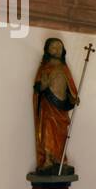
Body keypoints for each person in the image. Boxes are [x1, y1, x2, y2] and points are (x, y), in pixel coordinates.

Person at [33, 38, 79, 173]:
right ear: (47, 49)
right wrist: (43, 86)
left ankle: (59, 159)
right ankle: (47, 160)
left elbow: (71, 89)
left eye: (59, 47)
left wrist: (73, 99)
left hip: (61, 108)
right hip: (48, 106)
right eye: (53, 47)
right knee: (47, 129)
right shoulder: (44, 68)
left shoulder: (65, 69)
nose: (57, 50)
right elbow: (37, 88)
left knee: (61, 133)